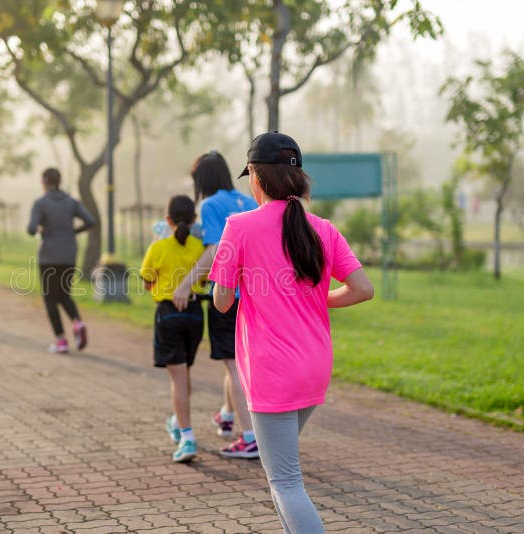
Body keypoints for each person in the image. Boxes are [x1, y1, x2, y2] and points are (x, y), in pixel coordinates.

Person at [209, 132, 374, 533]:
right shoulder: (323, 228)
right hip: (315, 365)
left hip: (273, 371)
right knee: (280, 473)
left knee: (285, 481)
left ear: (257, 176)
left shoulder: (239, 226)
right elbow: (362, 289)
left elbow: (222, 302)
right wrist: (316, 300)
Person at [172, 150, 260, 459]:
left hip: (226, 294)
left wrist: (186, 284)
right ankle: (226, 413)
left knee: (234, 365)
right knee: (235, 359)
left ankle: (250, 437)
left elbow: (213, 251)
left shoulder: (210, 205)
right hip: (252, 293)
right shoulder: (249, 201)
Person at [141, 195, 207, 463]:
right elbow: (204, 279)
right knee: (185, 373)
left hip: (168, 314)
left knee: (177, 378)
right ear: (194, 221)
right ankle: (177, 421)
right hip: (194, 314)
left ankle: (187, 436)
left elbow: (147, 282)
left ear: (167, 220)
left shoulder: (158, 247)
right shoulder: (201, 247)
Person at [27, 167, 95, 354]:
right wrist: (73, 232)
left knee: (50, 299)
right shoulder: (71, 202)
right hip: (68, 254)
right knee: (64, 294)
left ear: (45, 181)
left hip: (48, 256)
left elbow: (31, 229)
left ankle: (61, 340)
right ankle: (78, 322)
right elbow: (90, 221)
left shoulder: (40, 203)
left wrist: (42, 230)